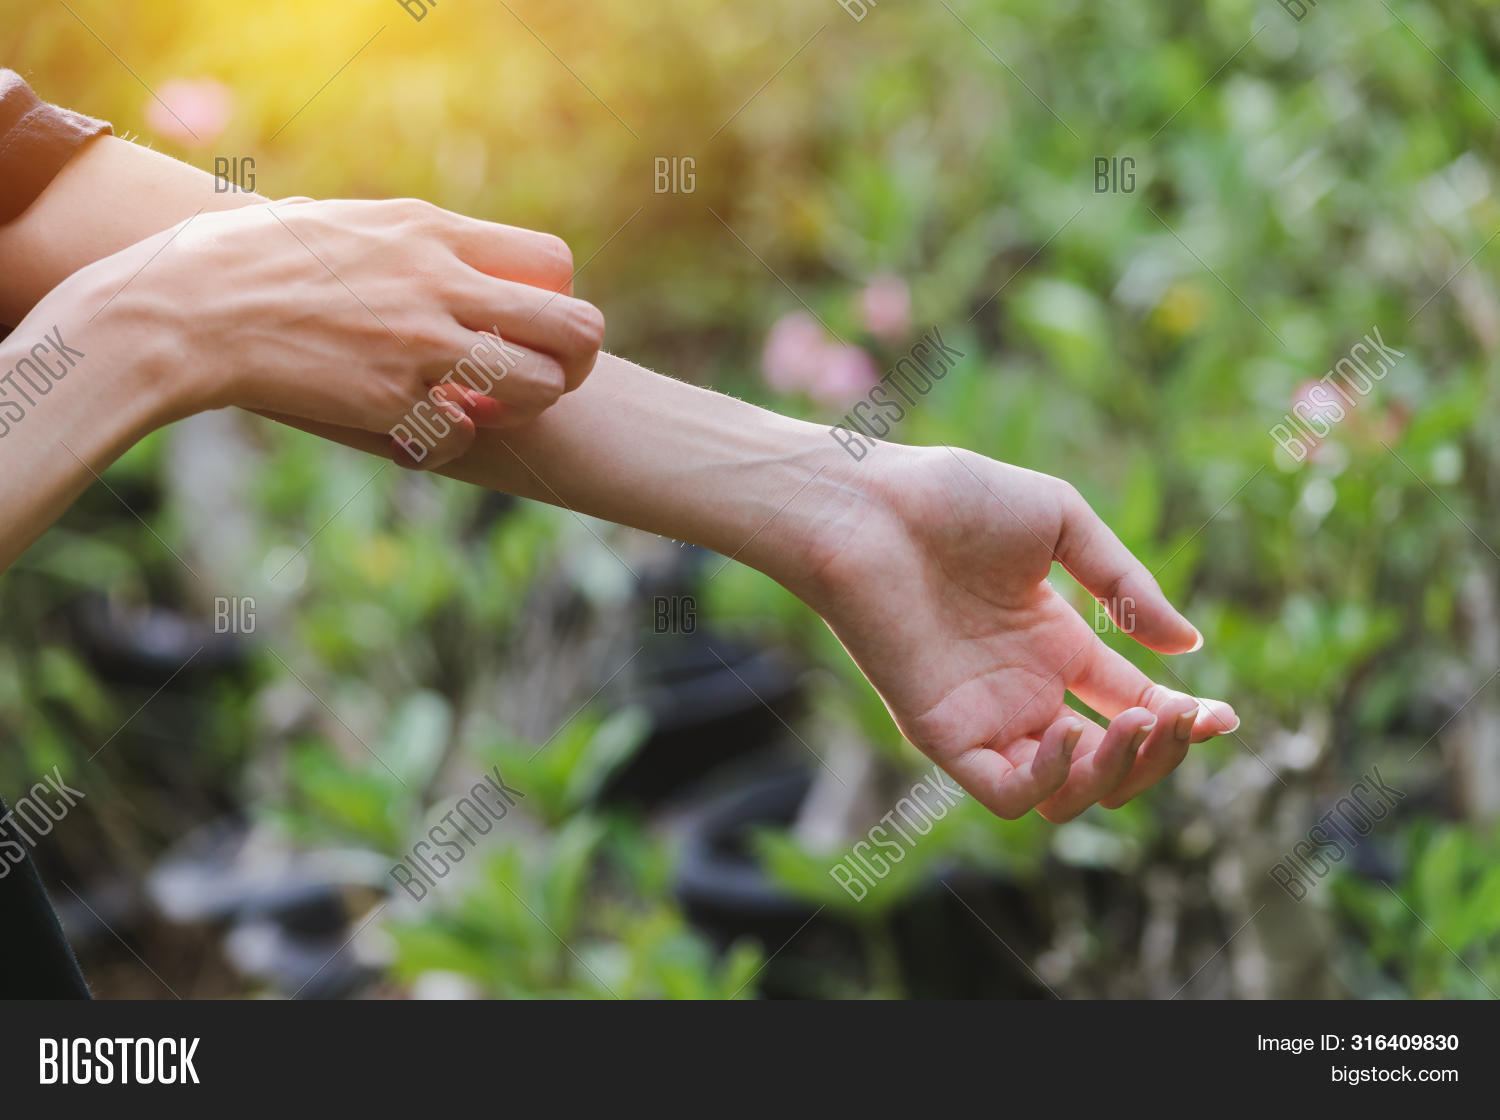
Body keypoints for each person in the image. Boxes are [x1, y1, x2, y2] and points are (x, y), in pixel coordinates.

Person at [0, 71, 1237, 996]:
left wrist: (843, 499)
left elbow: (43, 203)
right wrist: (153, 327)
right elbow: (181, 288)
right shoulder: (153, 312)